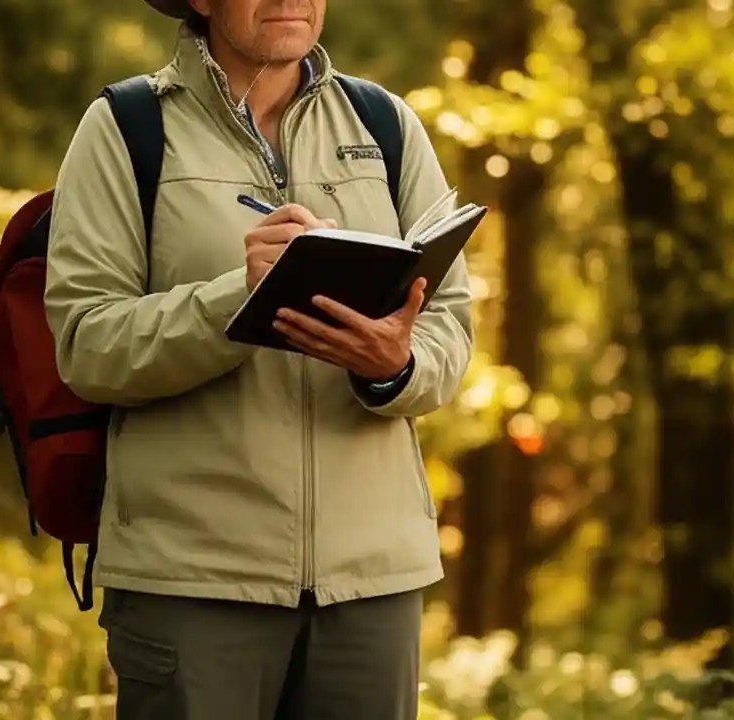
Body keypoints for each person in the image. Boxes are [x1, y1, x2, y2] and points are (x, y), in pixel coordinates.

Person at [43, 0, 473, 717]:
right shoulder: (126, 129)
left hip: (372, 588)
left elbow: (449, 325)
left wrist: (393, 365)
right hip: (192, 583)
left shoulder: (386, 126)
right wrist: (234, 300)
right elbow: (88, 345)